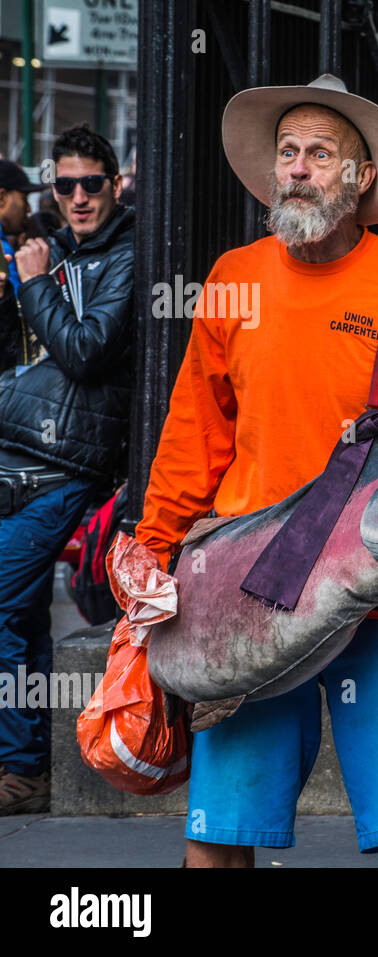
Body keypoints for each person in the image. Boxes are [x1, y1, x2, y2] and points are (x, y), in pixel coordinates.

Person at [133, 74, 378, 868]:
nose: (298, 167)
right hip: (245, 595)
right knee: (220, 834)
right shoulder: (234, 278)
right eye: (288, 151)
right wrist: (151, 550)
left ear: (360, 177)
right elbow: (194, 434)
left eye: (320, 153)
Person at [0, 126, 135, 813]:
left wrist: (30, 285)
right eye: (65, 185)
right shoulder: (56, 253)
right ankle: (30, 761)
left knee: (2, 600)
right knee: (17, 610)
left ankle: (21, 767)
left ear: (114, 183)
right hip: (26, 457)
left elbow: (86, 351)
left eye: (91, 183)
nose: (78, 197)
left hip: (67, 462)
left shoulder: (128, 256)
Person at [0, 159, 46, 371]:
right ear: (2, 197)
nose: (28, 208)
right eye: (24, 198)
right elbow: (20, 315)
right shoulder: (4, 252)